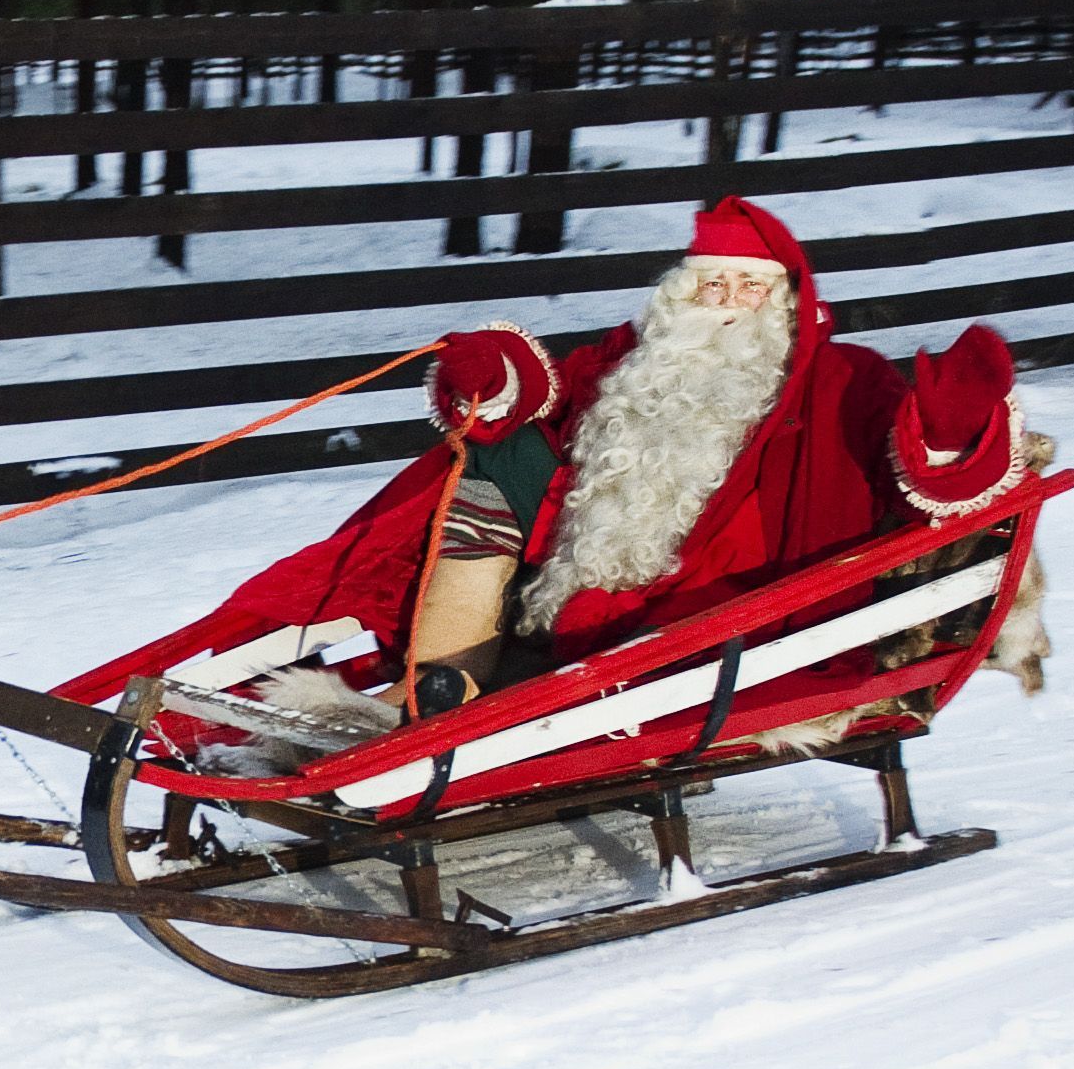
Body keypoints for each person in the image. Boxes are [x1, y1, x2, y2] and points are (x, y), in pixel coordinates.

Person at [224, 197, 1025, 727]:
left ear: (783, 297)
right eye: (713, 283)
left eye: (749, 286)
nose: (727, 301)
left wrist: (951, 427)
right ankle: (444, 688)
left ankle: (502, 707)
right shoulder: (637, 357)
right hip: (576, 591)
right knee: (491, 472)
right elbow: (544, 398)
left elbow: (924, 480)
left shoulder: (848, 379)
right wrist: (492, 375)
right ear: (683, 290)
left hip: (718, 610)